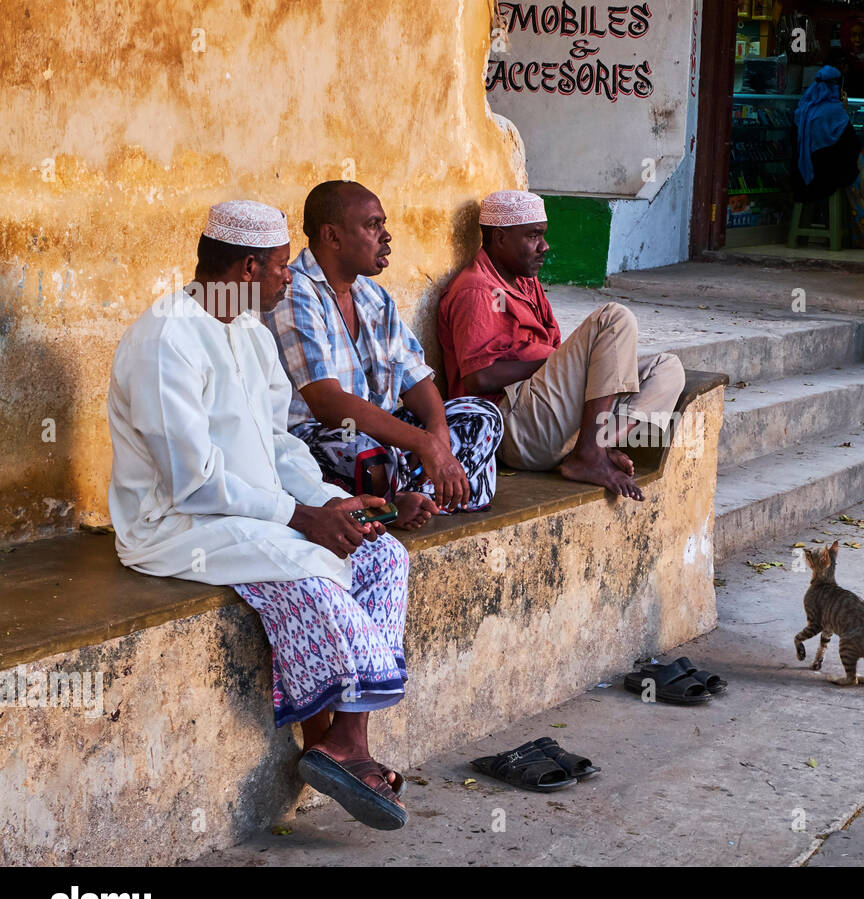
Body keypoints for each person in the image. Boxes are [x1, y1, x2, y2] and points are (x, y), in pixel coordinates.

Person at [108, 200, 410, 831]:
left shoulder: (247, 330)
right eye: (278, 268)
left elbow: (279, 446)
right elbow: (194, 482)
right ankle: (328, 741)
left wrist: (330, 503)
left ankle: (345, 739)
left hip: (254, 511)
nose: (287, 279)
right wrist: (301, 518)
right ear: (247, 268)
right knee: (314, 565)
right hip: (177, 525)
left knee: (381, 552)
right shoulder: (167, 339)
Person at [264, 181, 504, 531]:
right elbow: (328, 403)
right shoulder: (296, 293)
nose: (386, 235)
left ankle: (405, 498)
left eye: (383, 224)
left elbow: (416, 377)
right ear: (332, 236)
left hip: (388, 432)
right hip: (323, 435)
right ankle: (428, 495)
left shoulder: (372, 295)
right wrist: (423, 445)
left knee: (481, 415)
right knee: (367, 457)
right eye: (373, 225)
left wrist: (437, 440)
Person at [438, 190, 685, 501]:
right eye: (533, 236)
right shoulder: (476, 289)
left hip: (552, 418)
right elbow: (479, 377)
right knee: (614, 317)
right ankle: (590, 455)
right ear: (499, 238)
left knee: (667, 369)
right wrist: (559, 364)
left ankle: (596, 447)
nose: (544, 246)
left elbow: (553, 351)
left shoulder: (526, 283)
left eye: (543, 235)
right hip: (513, 427)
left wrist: (566, 366)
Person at [792, 65, 861, 204]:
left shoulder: (802, 110)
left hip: (799, 179)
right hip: (827, 180)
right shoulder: (835, 112)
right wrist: (844, 110)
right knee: (862, 167)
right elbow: (852, 146)